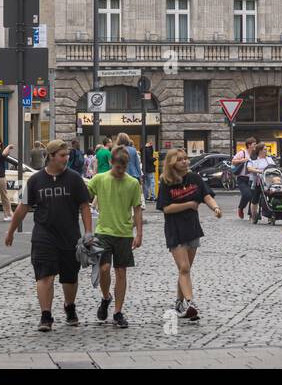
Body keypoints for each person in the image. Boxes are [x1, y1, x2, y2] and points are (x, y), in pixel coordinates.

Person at [6, 139, 94, 332]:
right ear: (51, 157)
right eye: (63, 156)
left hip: (70, 235)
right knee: (45, 275)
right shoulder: (36, 180)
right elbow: (23, 207)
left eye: (68, 155)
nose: (66, 159)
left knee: (70, 278)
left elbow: (84, 206)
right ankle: (46, 315)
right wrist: (11, 231)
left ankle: (69, 306)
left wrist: (88, 232)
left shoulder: (74, 179)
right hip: (44, 235)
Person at [157, 149, 222, 321]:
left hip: (192, 228)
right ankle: (190, 303)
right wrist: (189, 205)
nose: (185, 162)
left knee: (184, 269)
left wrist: (215, 208)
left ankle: (179, 301)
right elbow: (166, 208)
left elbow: (206, 196)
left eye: (186, 159)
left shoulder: (195, 178)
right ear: (172, 163)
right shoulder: (166, 181)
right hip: (174, 229)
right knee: (184, 268)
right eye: (181, 160)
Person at [86, 145, 144, 328]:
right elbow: (84, 198)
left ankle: (118, 311)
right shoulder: (99, 179)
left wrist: (139, 233)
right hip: (103, 231)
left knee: (121, 272)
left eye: (124, 167)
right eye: (118, 167)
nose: (121, 171)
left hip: (124, 233)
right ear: (111, 162)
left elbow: (137, 209)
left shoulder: (133, 183)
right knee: (104, 269)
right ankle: (106, 297)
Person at [246, 142, 272, 222]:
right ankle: (254, 215)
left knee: (269, 198)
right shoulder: (254, 159)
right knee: (255, 199)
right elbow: (249, 168)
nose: (266, 150)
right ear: (260, 150)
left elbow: (273, 167)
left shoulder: (269, 159)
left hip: (268, 182)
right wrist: (259, 171)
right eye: (265, 149)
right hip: (257, 181)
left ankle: (270, 216)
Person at [232, 140, 253, 220]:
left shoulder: (254, 154)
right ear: (249, 145)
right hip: (242, 178)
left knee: (253, 196)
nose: (255, 145)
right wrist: (242, 160)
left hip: (252, 178)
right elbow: (233, 162)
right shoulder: (242, 153)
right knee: (246, 194)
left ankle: (252, 214)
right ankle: (241, 208)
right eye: (254, 144)